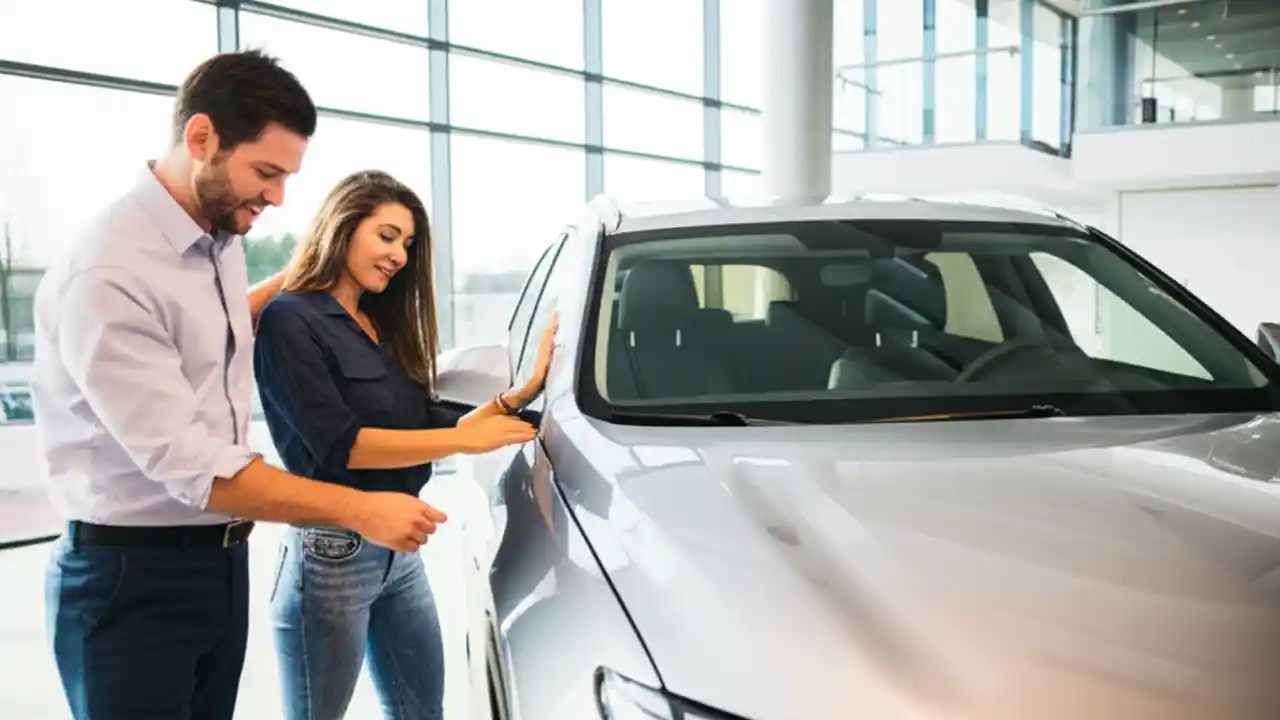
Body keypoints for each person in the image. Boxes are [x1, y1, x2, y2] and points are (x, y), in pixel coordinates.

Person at [31, 51, 449, 720]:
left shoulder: (215, 239)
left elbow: (219, 322)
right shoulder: (109, 271)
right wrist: (357, 509)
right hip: (128, 581)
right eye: (266, 172)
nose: (278, 196)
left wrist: (320, 263)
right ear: (201, 138)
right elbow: (191, 466)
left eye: (288, 177)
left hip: (216, 565)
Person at [251, 169, 552, 720]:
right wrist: (462, 441)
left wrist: (516, 398)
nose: (398, 255)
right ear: (343, 226)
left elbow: (418, 415)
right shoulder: (288, 319)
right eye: (386, 236)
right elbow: (339, 446)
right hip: (332, 555)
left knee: (421, 711)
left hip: (399, 549)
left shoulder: (373, 321)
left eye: (407, 245)